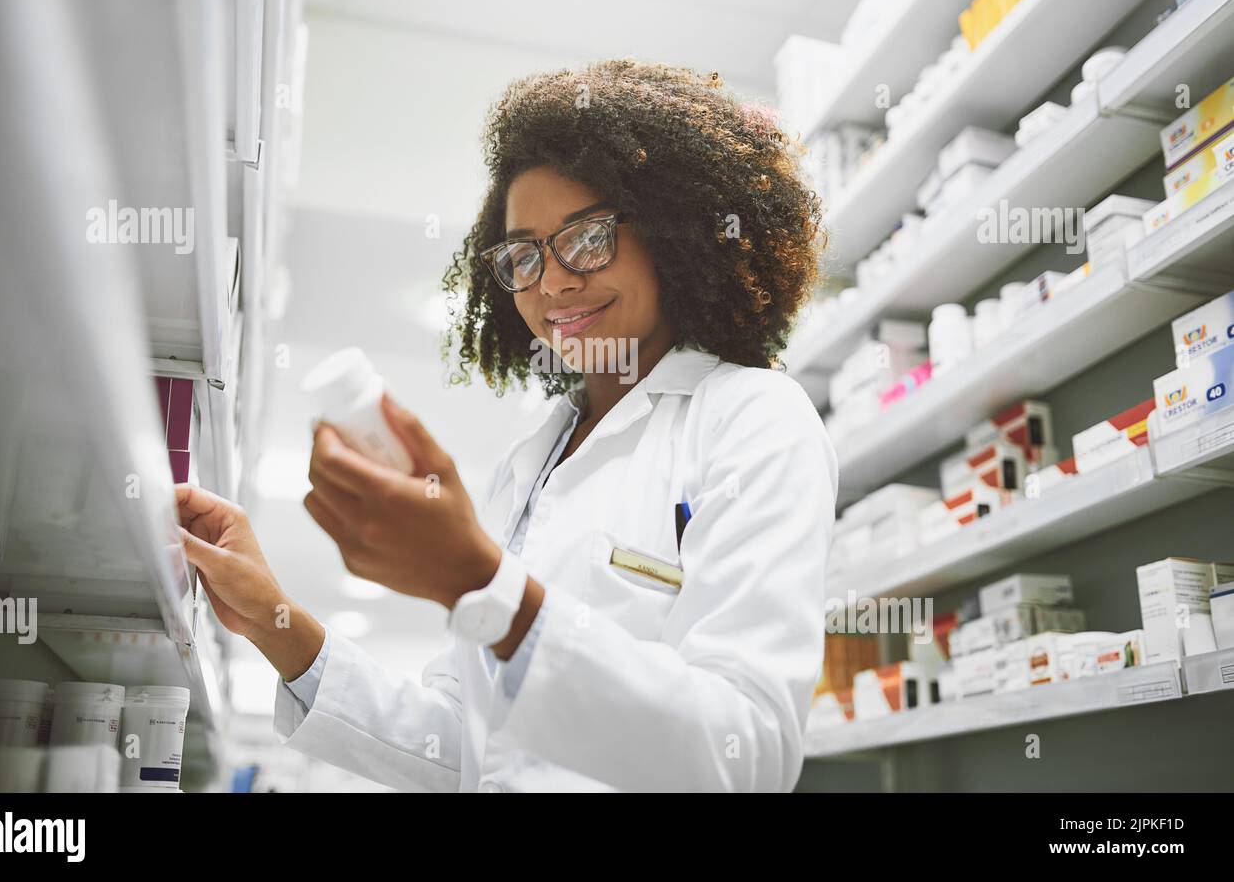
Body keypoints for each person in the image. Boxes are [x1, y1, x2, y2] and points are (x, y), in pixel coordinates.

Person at [176, 59, 837, 792]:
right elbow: (463, 741)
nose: (553, 282)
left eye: (588, 239)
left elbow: (745, 751)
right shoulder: (532, 461)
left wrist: (481, 582)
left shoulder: (752, 418)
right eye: (524, 255)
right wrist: (273, 619)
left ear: (677, 236)